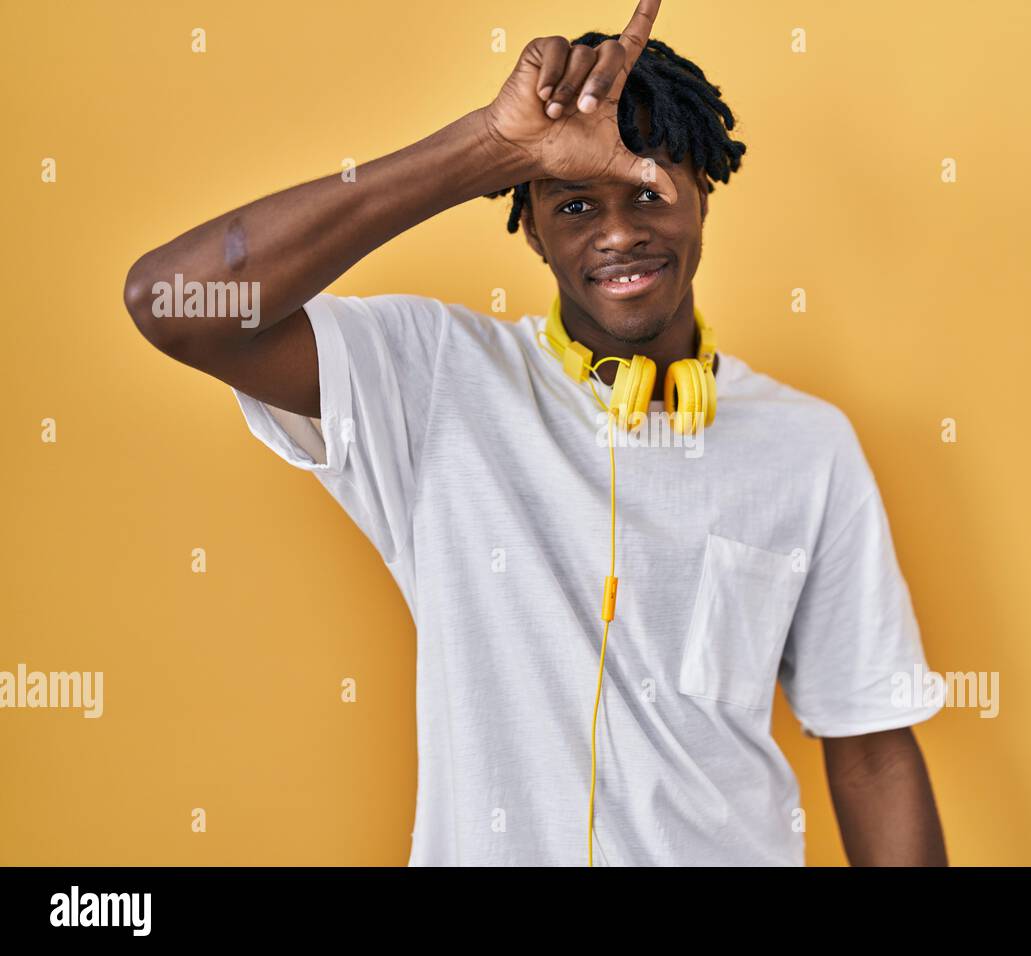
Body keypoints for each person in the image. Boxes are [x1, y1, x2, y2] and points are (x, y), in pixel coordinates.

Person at [123, 0, 947, 867]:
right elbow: (173, 305)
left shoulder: (808, 447)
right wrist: (490, 146)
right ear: (531, 232)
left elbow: (872, 752)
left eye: (648, 191)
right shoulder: (431, 378)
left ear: (704, 191)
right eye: (575, 206)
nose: (619, 234)